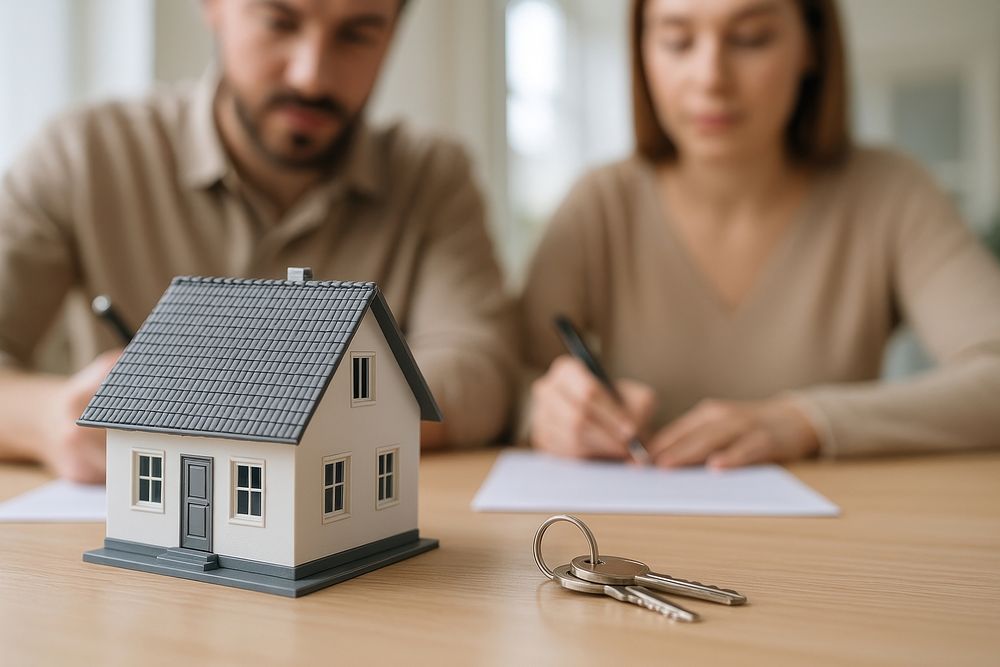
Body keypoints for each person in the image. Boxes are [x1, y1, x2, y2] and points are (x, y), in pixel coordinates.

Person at [0, 0, 518, 482]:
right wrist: (49, 419)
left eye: (357, 35)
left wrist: (264, 414)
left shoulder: (433, 177)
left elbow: (481, 372)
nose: (311, 76)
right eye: (280, 22)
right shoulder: (84, 154)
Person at [521, 0, 1000, 468]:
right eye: (677, 41)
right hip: (627, 519)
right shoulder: (600, 203)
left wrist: (808, 421)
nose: (710, 77)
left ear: (811, 45)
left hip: (845, 523)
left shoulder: (891, 193)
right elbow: (513, 380)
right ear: (641, 50)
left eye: (751, 38)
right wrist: (546, 413)